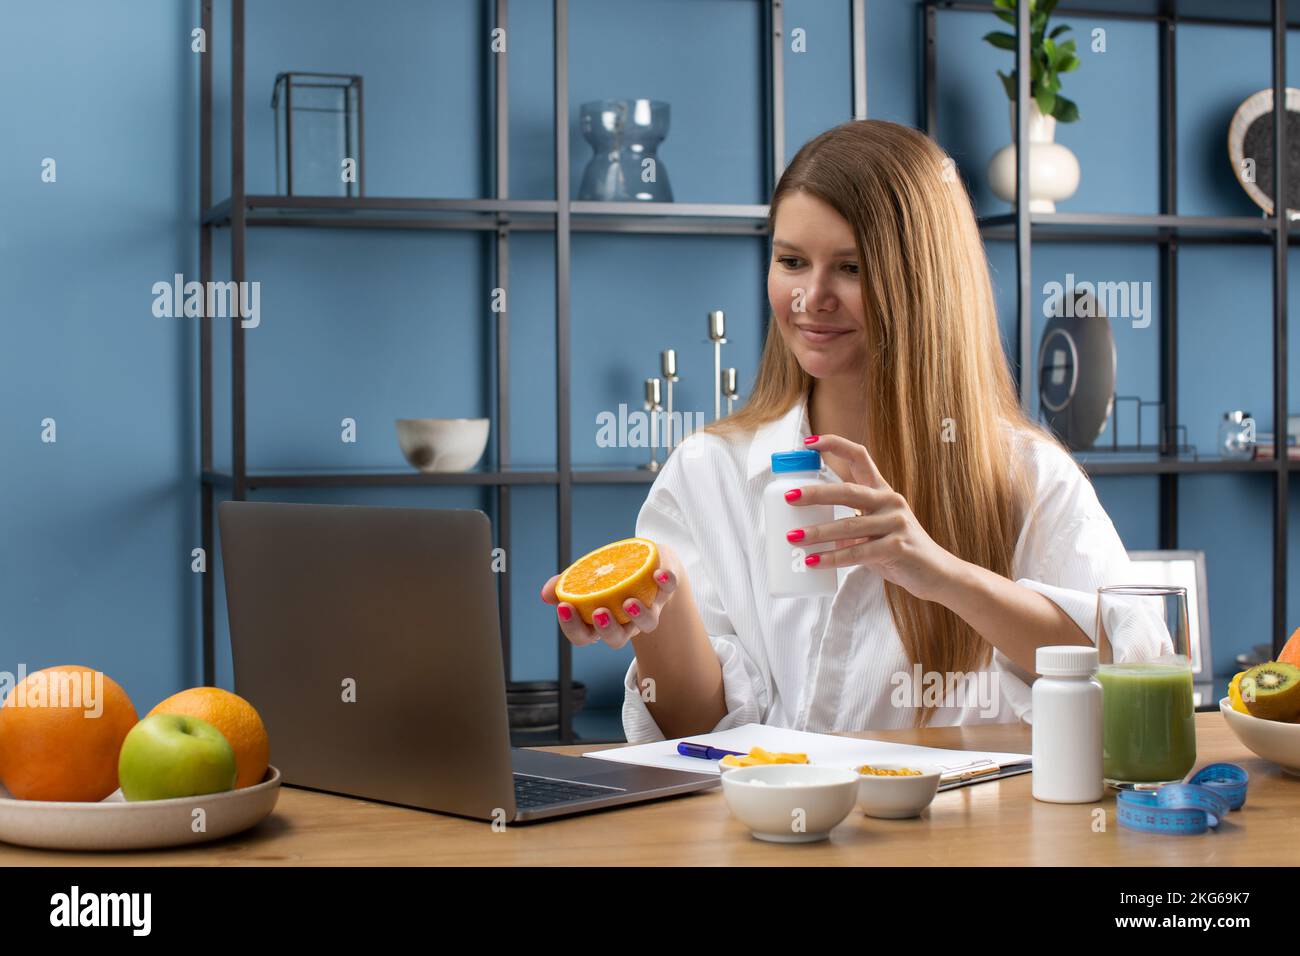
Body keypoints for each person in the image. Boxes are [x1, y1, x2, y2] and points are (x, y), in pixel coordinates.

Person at [541, 119, 1152, 744]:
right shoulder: (707, 472)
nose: (811, 298)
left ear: (926, 283)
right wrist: (662, 616)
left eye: (852, 268)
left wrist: (941, 574)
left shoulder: (1024, 473)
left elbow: (1135, 671)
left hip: (965, 837)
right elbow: (698, 739)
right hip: (771, 838)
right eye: (792, 262)